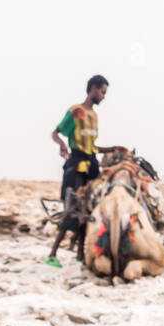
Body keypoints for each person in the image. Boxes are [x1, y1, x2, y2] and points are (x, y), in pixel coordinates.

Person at [46, 75, 119, 266]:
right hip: (76, 166)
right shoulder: (76, 111)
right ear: (93, 88)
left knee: (89, 209)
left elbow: (92, 147)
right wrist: (62, 144)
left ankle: (80, 255)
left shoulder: (94, 116)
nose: (103, 96)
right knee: (73, 209)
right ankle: (52, 255)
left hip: (91, 166)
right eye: (102, 92)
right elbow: (56, 132)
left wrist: (113, 149)